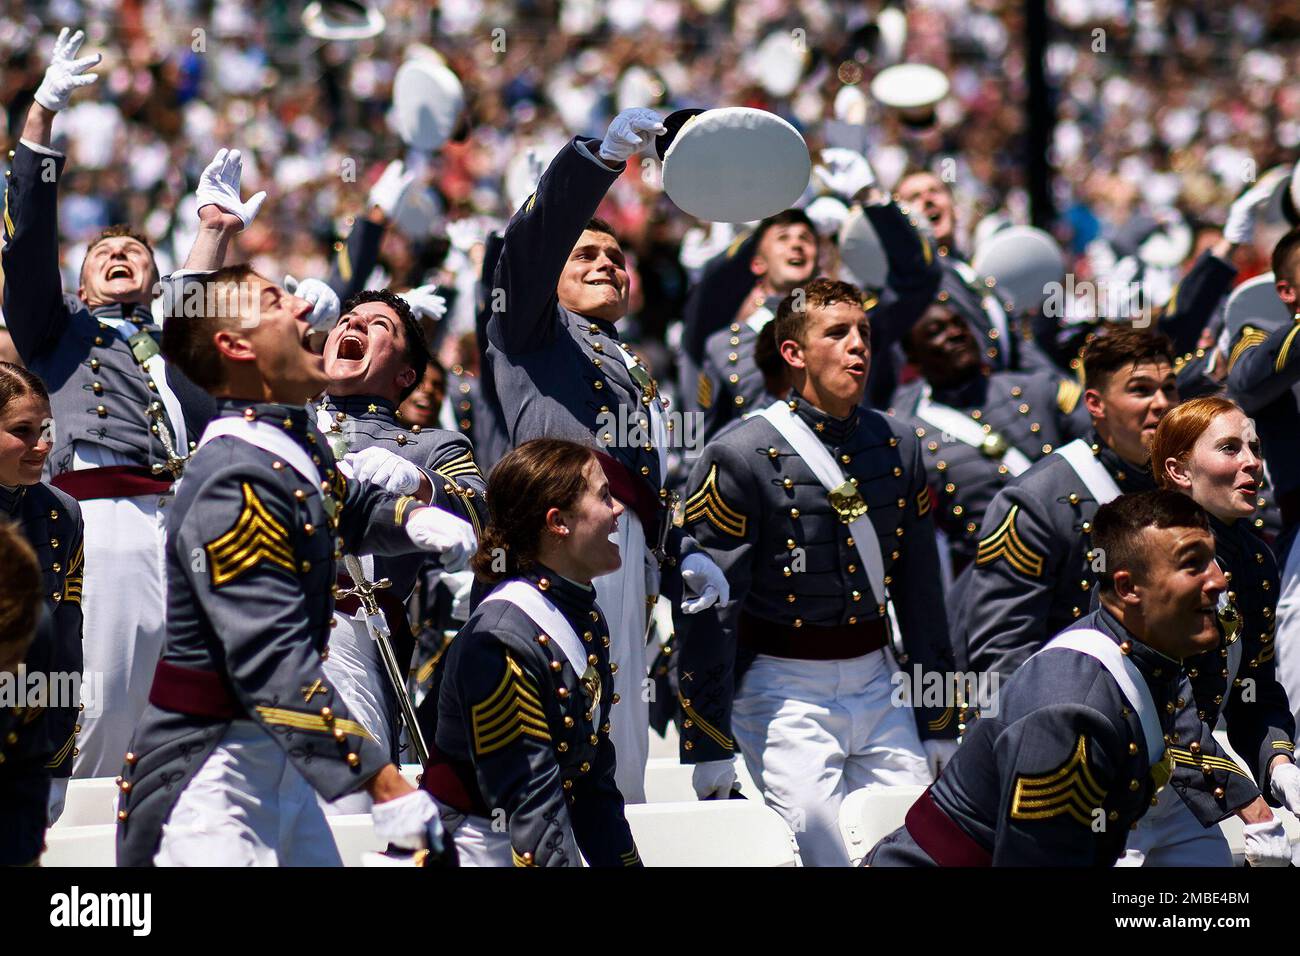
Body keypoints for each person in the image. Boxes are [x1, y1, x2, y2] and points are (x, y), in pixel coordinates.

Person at [115, 264, 475, 866]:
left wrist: (409, 513)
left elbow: (340, 500)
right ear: (236, 347)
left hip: (275, 750)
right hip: (210, 775)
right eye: (278, 303)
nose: (310, 311)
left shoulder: (284, 443)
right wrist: (381, 780)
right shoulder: (233, 474)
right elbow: (266, 655)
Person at [484, 107, 728, 802]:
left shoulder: (630, 358)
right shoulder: (530, 329)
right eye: (584, 256)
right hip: (562, 539)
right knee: (565, 736)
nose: (604, 265)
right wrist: (596, 156)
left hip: (629, 558)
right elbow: (530, 246)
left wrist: (680, 551)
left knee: (619, 751)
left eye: (615, 260)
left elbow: (645, 484)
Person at [675, 278, 954, 866]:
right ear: (793, 353)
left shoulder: (899, 442)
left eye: (864, 334)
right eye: (837, 333)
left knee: (915, 841)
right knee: (819, 848)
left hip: (880, 680)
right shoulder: (739, 453)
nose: (859, 346)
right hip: (783, 689)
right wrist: (707, 742)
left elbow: (922, 595)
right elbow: (709, 610)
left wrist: (940, 721)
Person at [2, 29, 216, 776]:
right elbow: (26, 248)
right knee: (102, 692)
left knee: (186, 705)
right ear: (82, 287)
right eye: (102, 254)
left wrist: (213, 231)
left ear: (156, 281)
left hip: (187, 519)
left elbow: (199, 313)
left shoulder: (178, 344)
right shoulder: (57, 329)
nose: (119, 253)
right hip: (101, 516)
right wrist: (39, 125)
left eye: (134, 251)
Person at [868, 490, 1233, 866]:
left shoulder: (1143, 656)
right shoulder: (1071, 713)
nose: (1218, 581)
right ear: (1127, 588)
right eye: (1193, 565)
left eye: (1214, 560)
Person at [420, 438, 641, 866]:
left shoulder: (584, 615)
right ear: (558, 522)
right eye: (603, 496)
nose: (618, 510)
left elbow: (592, 783)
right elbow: (530, 801)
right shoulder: (501, 640)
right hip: (475, 847)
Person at [308, 289, 488, 807]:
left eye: (377, 324)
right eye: (348, 319)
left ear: (406, 376)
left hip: (349, 629)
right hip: (248, 618)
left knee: (343, 798)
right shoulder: (275, 417)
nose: (355, 326)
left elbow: (484, 511)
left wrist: (425, 486)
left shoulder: (432, 446)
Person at [1136, 397, 1300, 865]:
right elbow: (1167, 704)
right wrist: (1249, 804)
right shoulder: (1148, 554)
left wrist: (1279, 765)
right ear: (1180, 471)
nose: (1252, 462)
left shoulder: (1254, 558)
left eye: (1255, 446)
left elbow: (1254, 687)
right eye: (1229, 448)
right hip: (1113, 790)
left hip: (1186, 794)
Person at [960, 328, 1177, 678]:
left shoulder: (1186, 480)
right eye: (1140, 390)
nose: (1162, 403)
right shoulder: (1035, 501)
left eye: (1169, 388)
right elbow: (1002, 654)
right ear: (1095, 404)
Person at [888, 302, 1091, 579]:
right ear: (912, 356)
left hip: (1075, 560)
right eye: (937, 331)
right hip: (995, 577)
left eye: (959, 324)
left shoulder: (1038, 389)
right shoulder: (909, 434)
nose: (956, 334)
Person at [0, 364, 83, 865]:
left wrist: (57, 759)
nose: (42, 445)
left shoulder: (63, 512)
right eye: (21, 431)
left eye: (45, 430)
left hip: (29, 740)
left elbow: (65, 642)